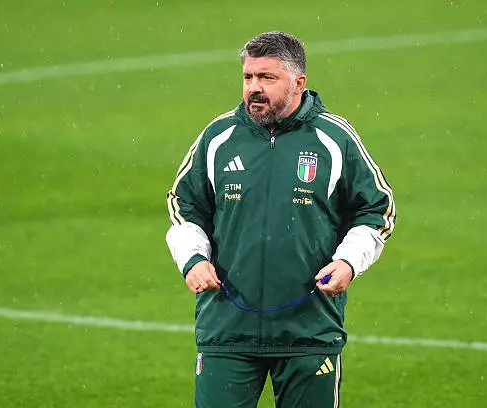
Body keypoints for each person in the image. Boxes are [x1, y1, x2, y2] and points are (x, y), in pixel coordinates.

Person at [165, 31, 396, 408]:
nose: (254, 88)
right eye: (248, 77)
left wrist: (348, 262)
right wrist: (192, 259)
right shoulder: (219, 137)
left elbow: (377, 208)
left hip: (309, 330)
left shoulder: (334, 138)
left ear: (299, 83)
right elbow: (183, 205)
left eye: (267, 78)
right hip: (227, 330)